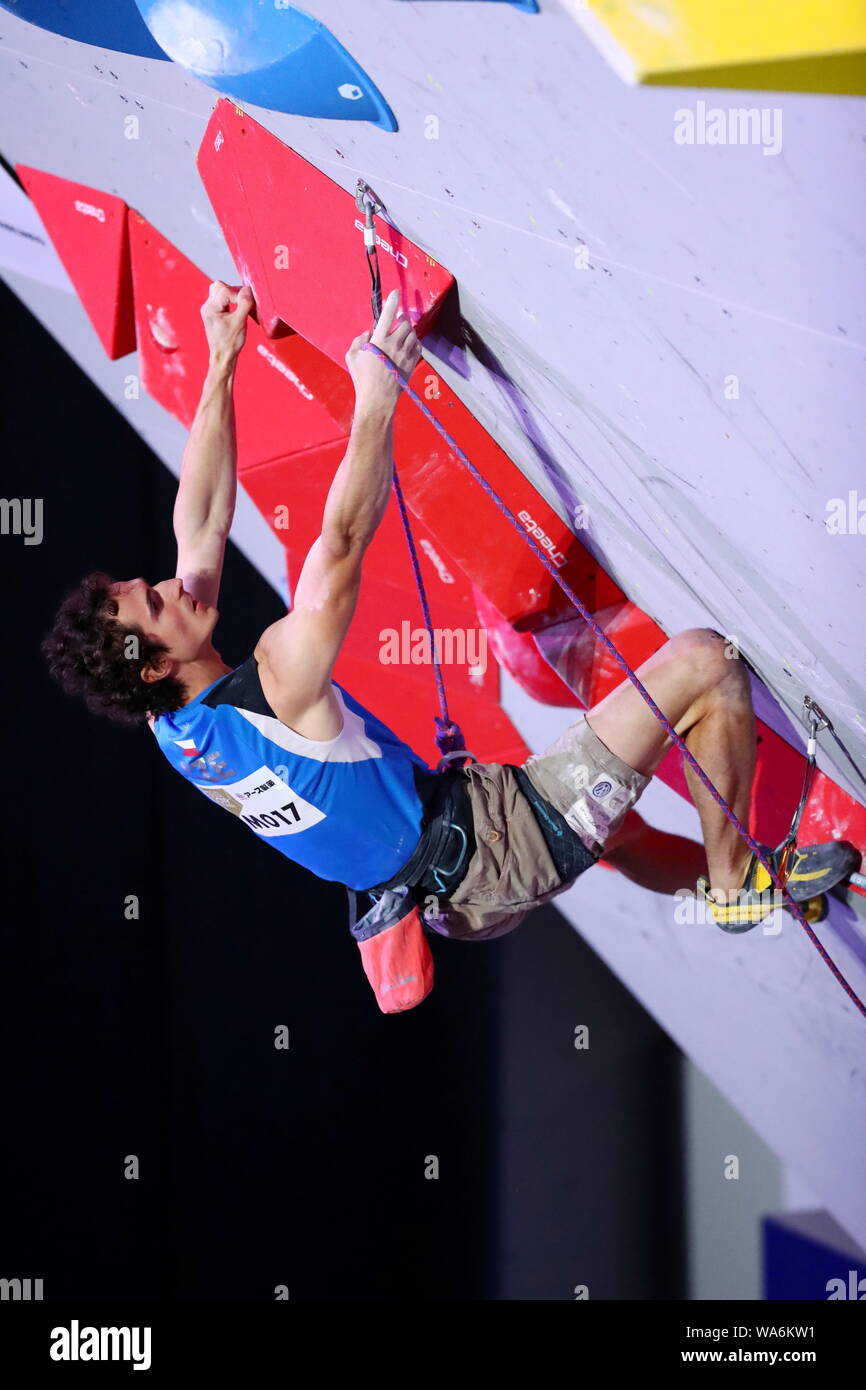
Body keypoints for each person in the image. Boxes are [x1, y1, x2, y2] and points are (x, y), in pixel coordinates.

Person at [43, 283, 856, 952]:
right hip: (503, 842)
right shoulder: (276, 683)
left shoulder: (175, 728)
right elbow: (342, 543)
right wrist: (377, 395)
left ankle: (731, 879)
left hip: (445, 897)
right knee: (707, 661)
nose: (173, 586)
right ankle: (731, 885)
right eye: (156, 603)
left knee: (619, 835)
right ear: (154, 662)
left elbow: (202, 522)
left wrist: (223, 360)